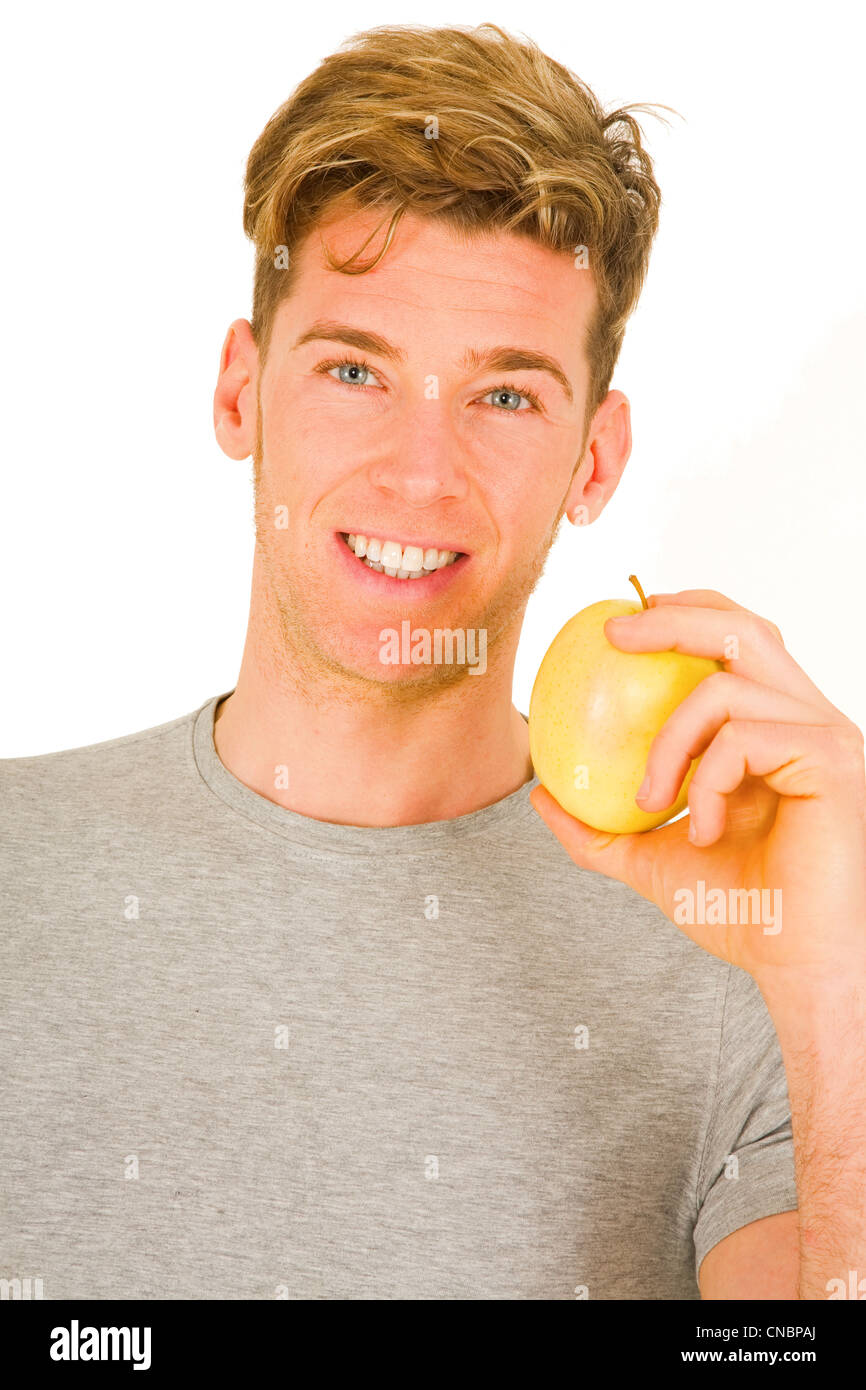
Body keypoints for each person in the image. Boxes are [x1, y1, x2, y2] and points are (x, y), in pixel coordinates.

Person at [2, 22, 864, 1302]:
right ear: (239, 392)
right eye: (354, 368)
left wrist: (832, 983)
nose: (419, 474)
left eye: (504, 395)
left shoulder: (746, 958)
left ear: (595, 457)